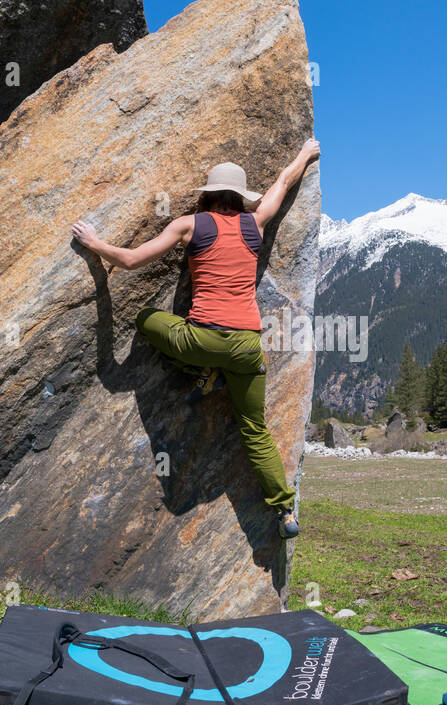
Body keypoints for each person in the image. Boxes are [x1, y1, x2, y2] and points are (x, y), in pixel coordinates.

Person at [71, 139, 320, 540]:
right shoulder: (255, 223)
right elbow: (284, 181)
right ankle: (284, 511)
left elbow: (132, 260)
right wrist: (306, 153)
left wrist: (94, 243)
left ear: (206, 195)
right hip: (246, 346)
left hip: (201, 339)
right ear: (241, 198)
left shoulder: (189, 224)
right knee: (254, 430)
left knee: (147, 319)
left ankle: (202, 370)